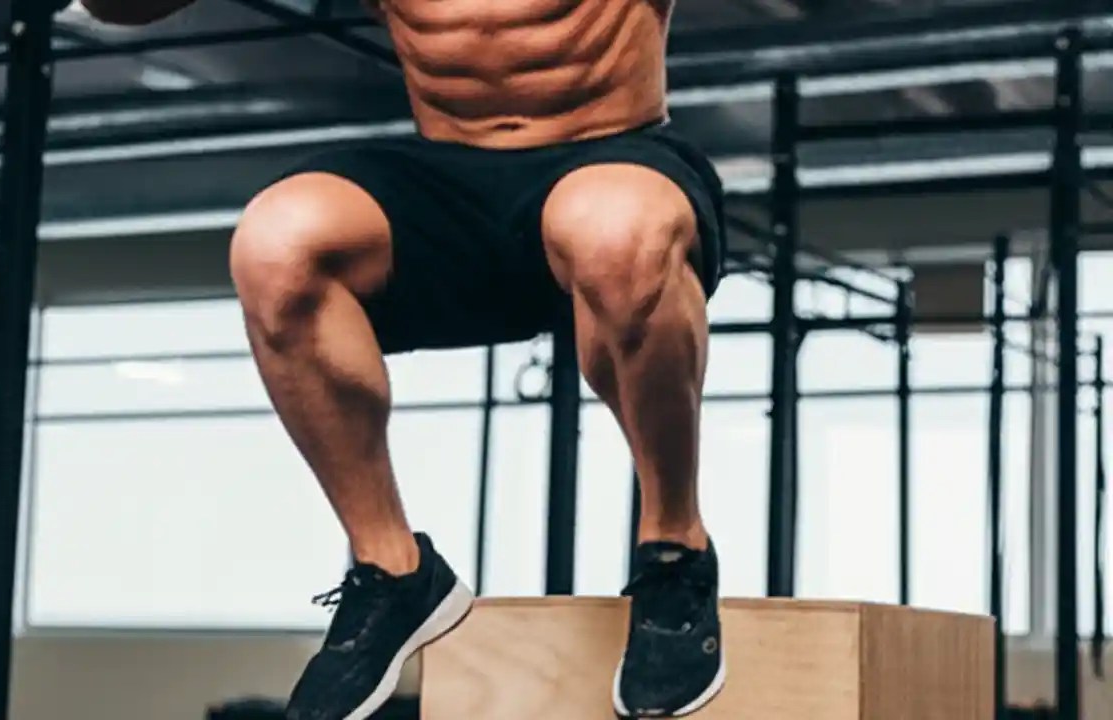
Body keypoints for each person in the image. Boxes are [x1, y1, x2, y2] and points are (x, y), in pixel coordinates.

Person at [79, 1, 728, 717]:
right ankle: (392, 570)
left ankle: (674, 550)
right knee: (276, 243)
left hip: (609, 156)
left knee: (612, 230)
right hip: (448, 179)